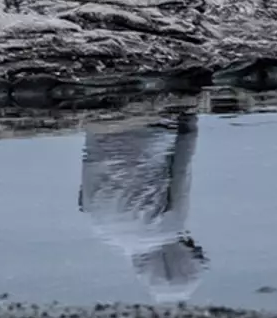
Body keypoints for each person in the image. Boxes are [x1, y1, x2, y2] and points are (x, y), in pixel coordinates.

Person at [79, 114, 208, 305]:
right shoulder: (103, 232)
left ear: (178, 261)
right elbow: (84, 198)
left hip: (149, 124)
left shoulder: (170, 229)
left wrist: (191, 120)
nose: (190, 241)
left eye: (192, 249)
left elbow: (182, 163)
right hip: (96, 128)